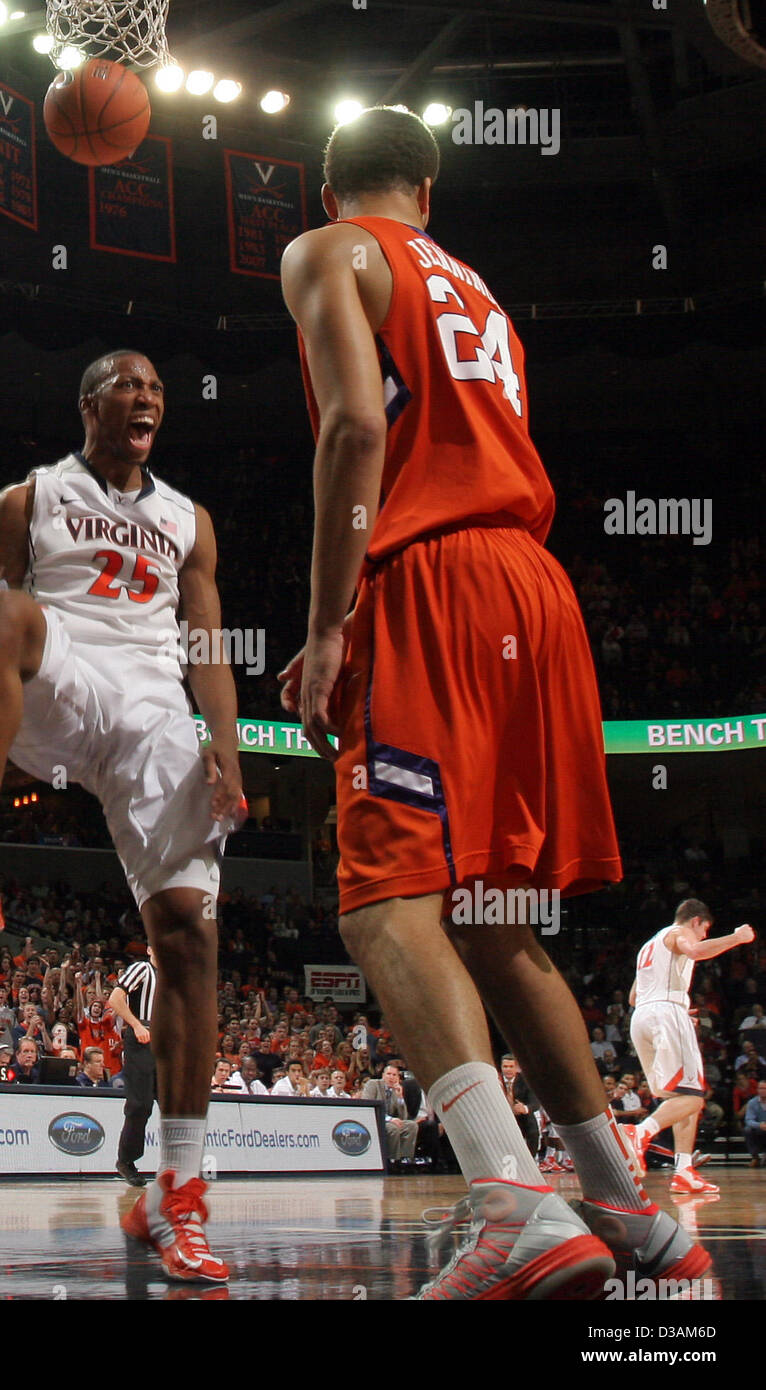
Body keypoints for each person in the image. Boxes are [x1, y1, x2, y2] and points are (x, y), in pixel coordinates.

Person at [278, 105, 707, 1299]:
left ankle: (509, 1203)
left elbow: (359, 427)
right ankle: (628, 1210)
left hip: (434, 581)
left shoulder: (329, 253)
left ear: (331, 191)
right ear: (430, 188)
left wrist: (328, 618)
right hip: (536, 586)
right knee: (492, 916)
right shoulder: (487, 299)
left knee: (381, 904)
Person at [0, 351, 244, 1283]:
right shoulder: (27, 499)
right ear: (88, 403)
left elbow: (208, 640)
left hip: (153, 704)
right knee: (9, 612)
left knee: (188, 937)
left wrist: (224, 743)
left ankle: (176, 1195)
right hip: (61, 673)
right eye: (128, 384)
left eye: (157, 388)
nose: (146, 396)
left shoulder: (190, 520)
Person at [625, 899, 755, 1195]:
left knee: (681, 1098)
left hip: (642, 1016)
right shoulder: (675, 933)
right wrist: (737, 938)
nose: (705, 936)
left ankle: (683, 1170)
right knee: (696, 1098)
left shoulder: (649, 945)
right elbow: (696, 951)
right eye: (705, 929)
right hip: (665, 1015)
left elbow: (634, 996)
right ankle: (638, 1133)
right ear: (695, 921)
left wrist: (669, 1002)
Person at [109, 950, 157, 1187]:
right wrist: (136, 1024)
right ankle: (126, 1161)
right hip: (142, 1039)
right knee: (140, 1104)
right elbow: (115, 998)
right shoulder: (142, 969)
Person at [360, 1064, 418, 1169]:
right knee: (393, 1128)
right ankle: (392, 1160)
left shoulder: (396, 1089)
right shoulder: (373, 1084)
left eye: (394, 1075)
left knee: (412, 1125)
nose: (391, 1077)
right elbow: (367, 1107)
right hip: (374, 1120)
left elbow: (403, 1116)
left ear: (398, 1078)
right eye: (388, 1074)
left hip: (390, 1121)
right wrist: (390, 1119)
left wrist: (400, 1098)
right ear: (383, 1075)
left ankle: (405, 1159)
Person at [743, 1079, 766, 1169]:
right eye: (760, 1088)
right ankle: (755, 1157)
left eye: (765, 1088)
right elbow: (748, 1120)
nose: (762, 1091)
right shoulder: (752, 1103)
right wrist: (760, 1125)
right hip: (759, 1129)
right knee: (747, 1130)